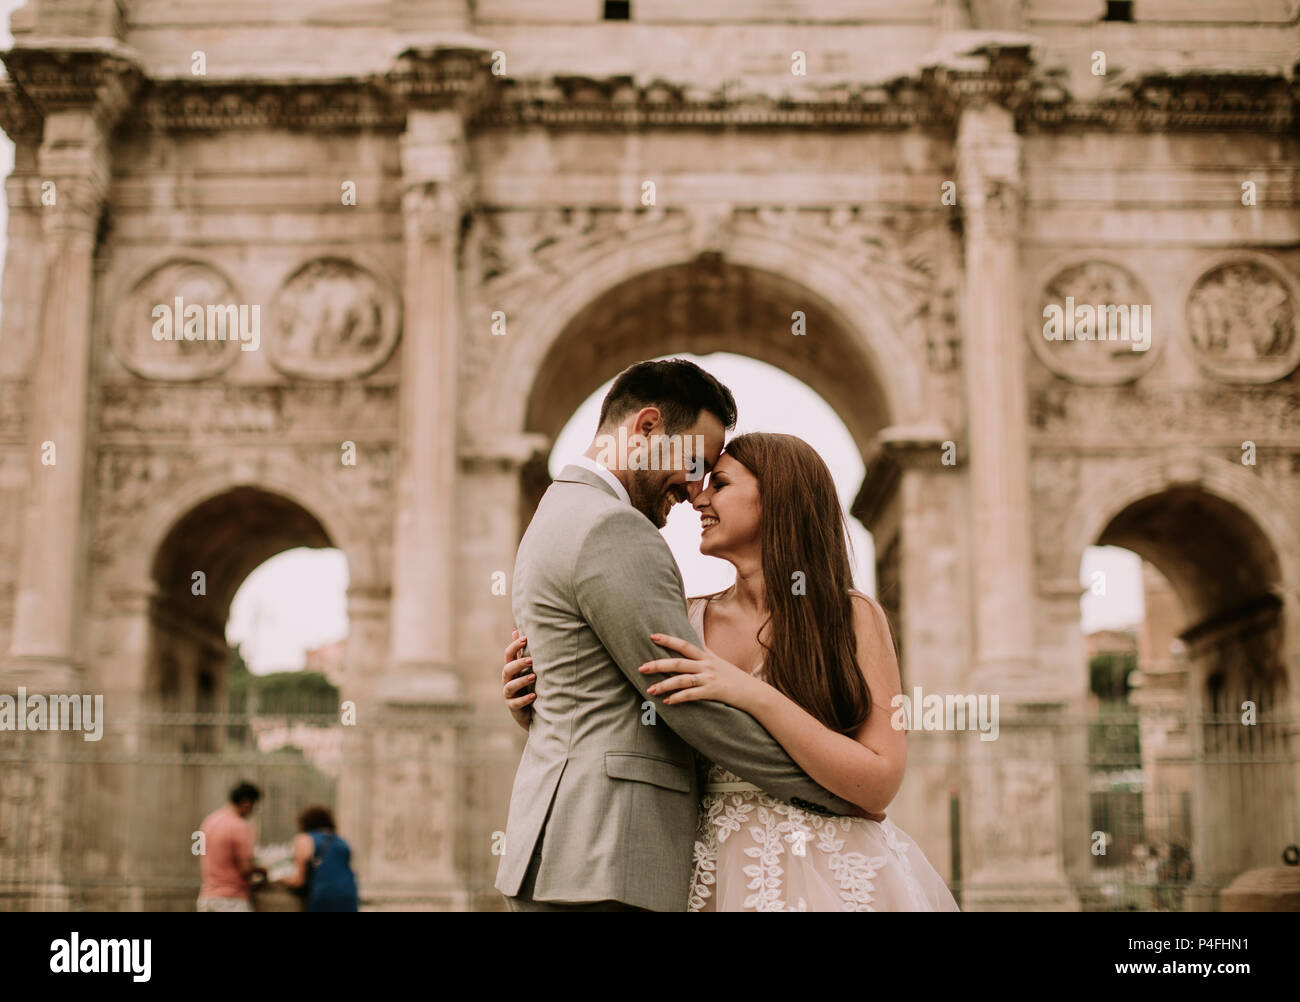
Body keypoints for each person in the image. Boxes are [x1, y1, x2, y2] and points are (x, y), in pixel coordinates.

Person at [504, 430, 958, 911]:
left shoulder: (853, 617)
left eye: (718, 483)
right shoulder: (684, 621)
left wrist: (753, 693)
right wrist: (540, 703)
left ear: (778, 496)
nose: (696, 496)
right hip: (703, 875)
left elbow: (881, 780)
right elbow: (627, 726)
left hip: (833, 869)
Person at [197, 781, 267, 912]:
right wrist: (263, 871)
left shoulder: (209, 821)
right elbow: (245, 869)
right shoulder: (240, 826)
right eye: (254, 807)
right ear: (246, 804)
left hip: (206, 899)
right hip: (231, 901)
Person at [278, 805, 359, 912]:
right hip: (349, 894)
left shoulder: (304, 839)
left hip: (324, 895)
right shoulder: (342, 842)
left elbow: (299, 881)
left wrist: (283, 879)